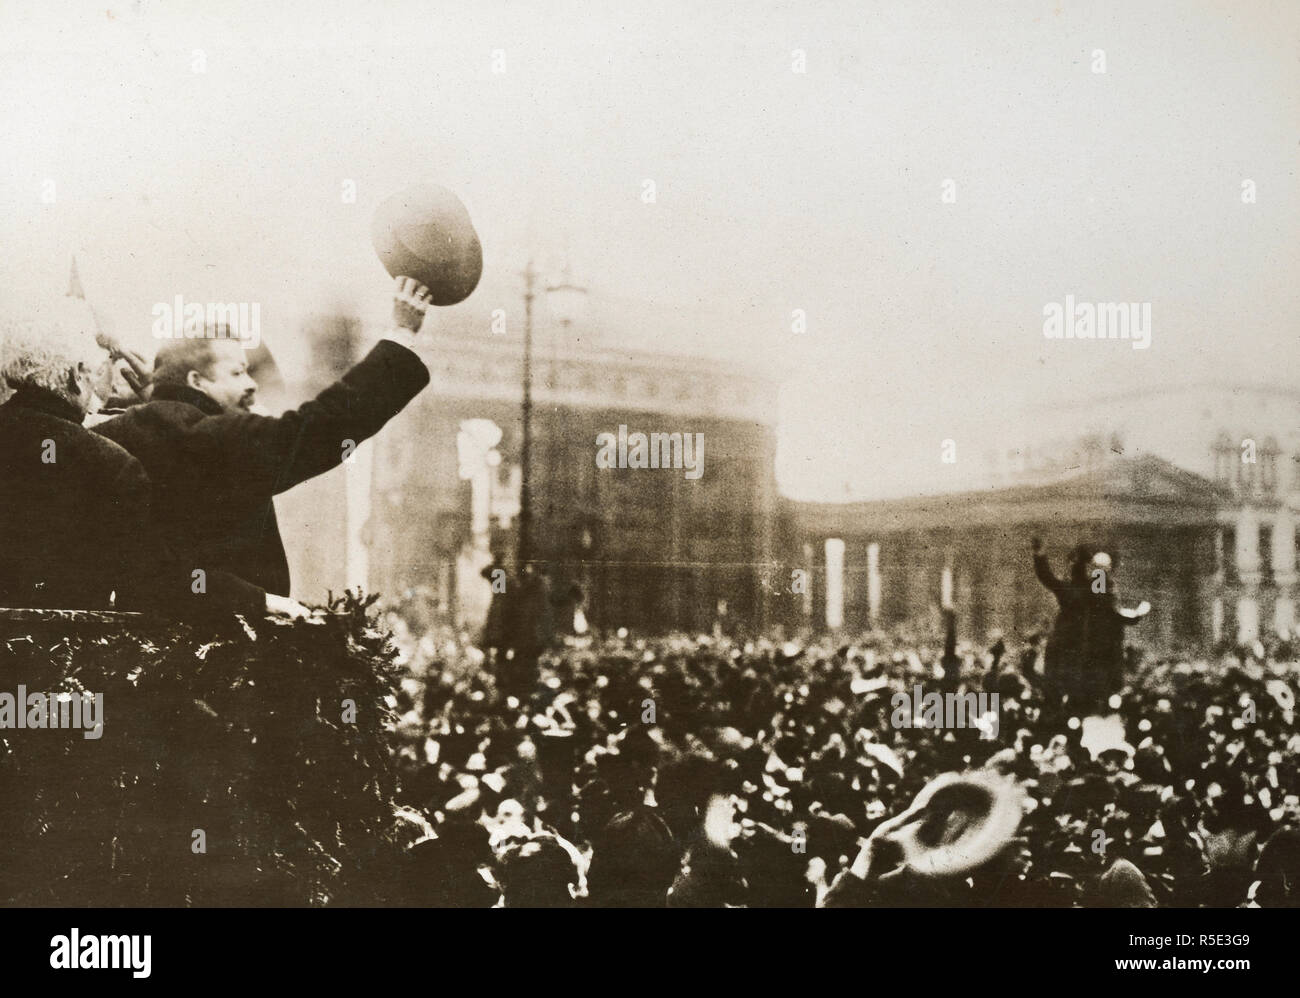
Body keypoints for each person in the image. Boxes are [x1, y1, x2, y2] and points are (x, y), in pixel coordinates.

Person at [95, 278, 434, 599]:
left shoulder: (113, 437)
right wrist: (400, 335)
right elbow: (323, 425)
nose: (252, 384)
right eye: (237, 372)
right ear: (198, 381)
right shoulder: (227, 438)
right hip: (228, 644)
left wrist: (160, 396)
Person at [0, 310, 293, 618]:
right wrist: (259, 600)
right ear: (78, 374)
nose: (109, 382)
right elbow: (154, 580)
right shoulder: (108, 463)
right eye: (105, 367)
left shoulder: (96, 445)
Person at [1031, 537, 1150, 714]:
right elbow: (1114, 610)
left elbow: (1048, 578)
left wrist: (1040, 556)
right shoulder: (1088, 590)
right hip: (1077, 647)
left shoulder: (1082, 589)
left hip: (1079, 648)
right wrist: (1137, 614)